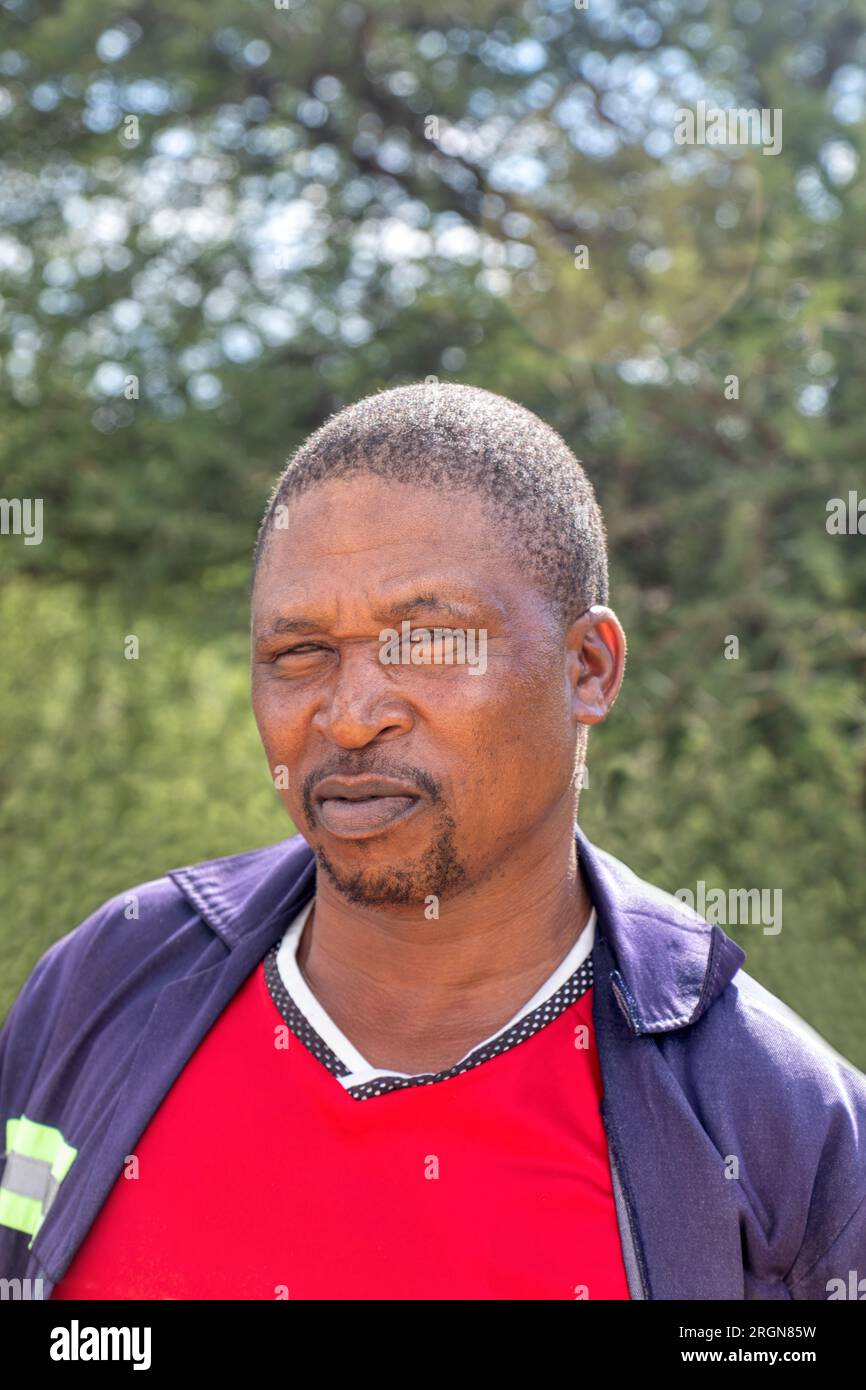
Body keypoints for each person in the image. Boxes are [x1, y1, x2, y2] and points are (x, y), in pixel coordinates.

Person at [1, 383, 864, 1300]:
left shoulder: (779, 1126)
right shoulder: (109, 982)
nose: (351, 713)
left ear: (589, 670)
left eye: (430, 641)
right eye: (300, 653)